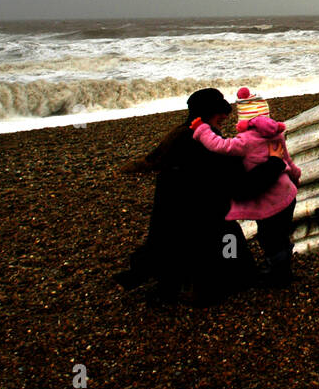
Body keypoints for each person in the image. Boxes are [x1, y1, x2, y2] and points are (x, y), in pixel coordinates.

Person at [116, 87, 287, 306]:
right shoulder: (210, 147)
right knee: (234, 253)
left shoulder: (178, 136)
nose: (224, 119)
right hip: (207, 227)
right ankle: (208, 281)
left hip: (167, 231)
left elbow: (151, 161)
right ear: (212, 114)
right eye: (221, 115)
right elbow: (243, 187)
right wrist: (274, 162)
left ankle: (169, 276)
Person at [190, 88, 300, 288]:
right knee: (280, 235)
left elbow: (220, 146)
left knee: (268, 238)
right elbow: (288, 161)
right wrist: (294, 175)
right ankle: (282, 267)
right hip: (286, 194)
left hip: (267, 201)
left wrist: (202, 130)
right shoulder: (277, 135)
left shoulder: (244, 141)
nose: (225, 118)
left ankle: (277, 272)